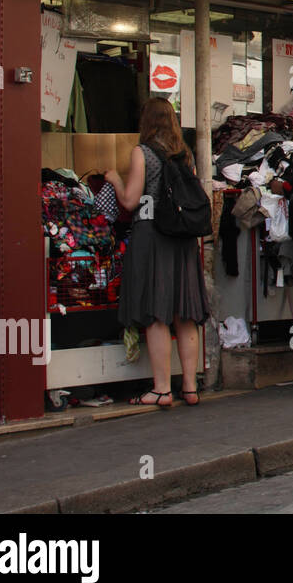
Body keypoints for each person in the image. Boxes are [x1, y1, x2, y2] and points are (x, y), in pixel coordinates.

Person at [106, 97, 209, 407]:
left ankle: (162, 389)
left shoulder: (143, 153)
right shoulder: (185, 154)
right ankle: (190, 387)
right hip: (183, 238)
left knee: (156, 313)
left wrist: (114, 180)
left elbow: (130, 201)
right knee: (185, 313)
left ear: (146, 121)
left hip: (152, 235)